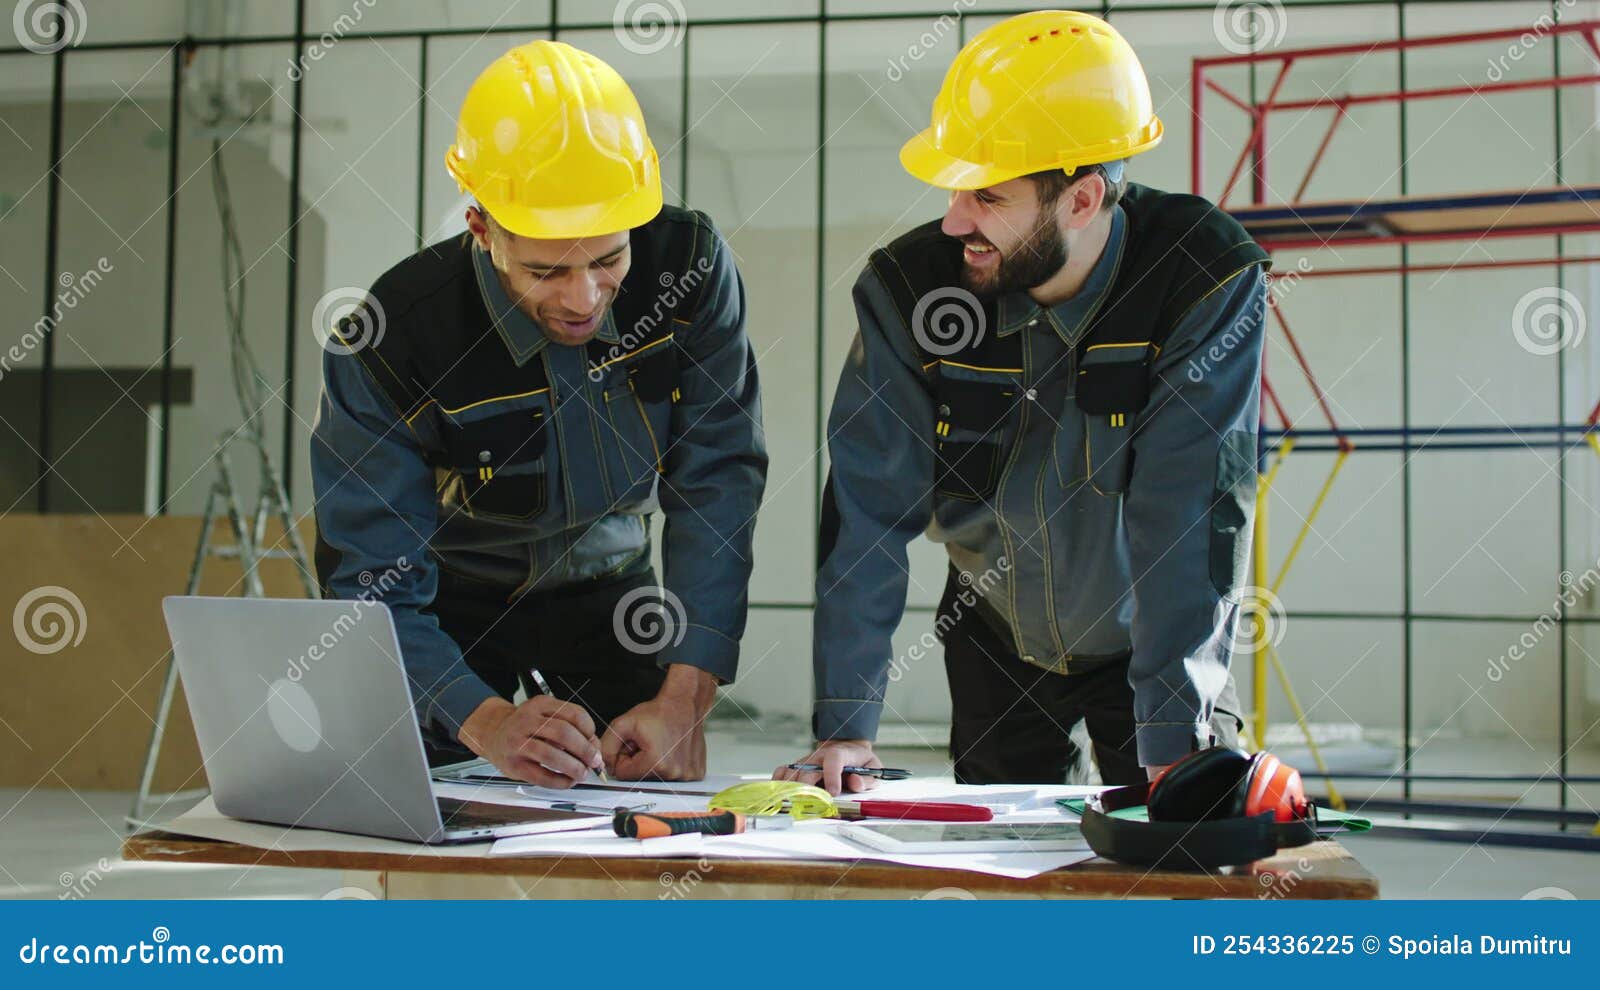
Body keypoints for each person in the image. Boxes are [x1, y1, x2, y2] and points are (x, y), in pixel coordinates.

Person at [779, 10, 1264, 796]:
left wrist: (1178, 729)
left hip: (1155, 638)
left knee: (1190, 863)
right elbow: (867, 510)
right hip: (993, 635)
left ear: (1082, 199)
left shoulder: (1197, 279)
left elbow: (1189, 511)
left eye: (988, 196)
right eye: (955, 187)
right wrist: (845, 723)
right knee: (1005, 882)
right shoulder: (910, 293)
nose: (953, 219)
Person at [311, 41, 767, 788]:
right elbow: (374, 581)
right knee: (431, 815)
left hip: (612, 590)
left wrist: (685, 697)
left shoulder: (690, 267)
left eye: (608, 261)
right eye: (547, 271)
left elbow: (718, 477)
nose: (584, 300)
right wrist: (483, 720)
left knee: (650, 814)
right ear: (481, 228)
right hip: (447, 607)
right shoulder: (390, 339)